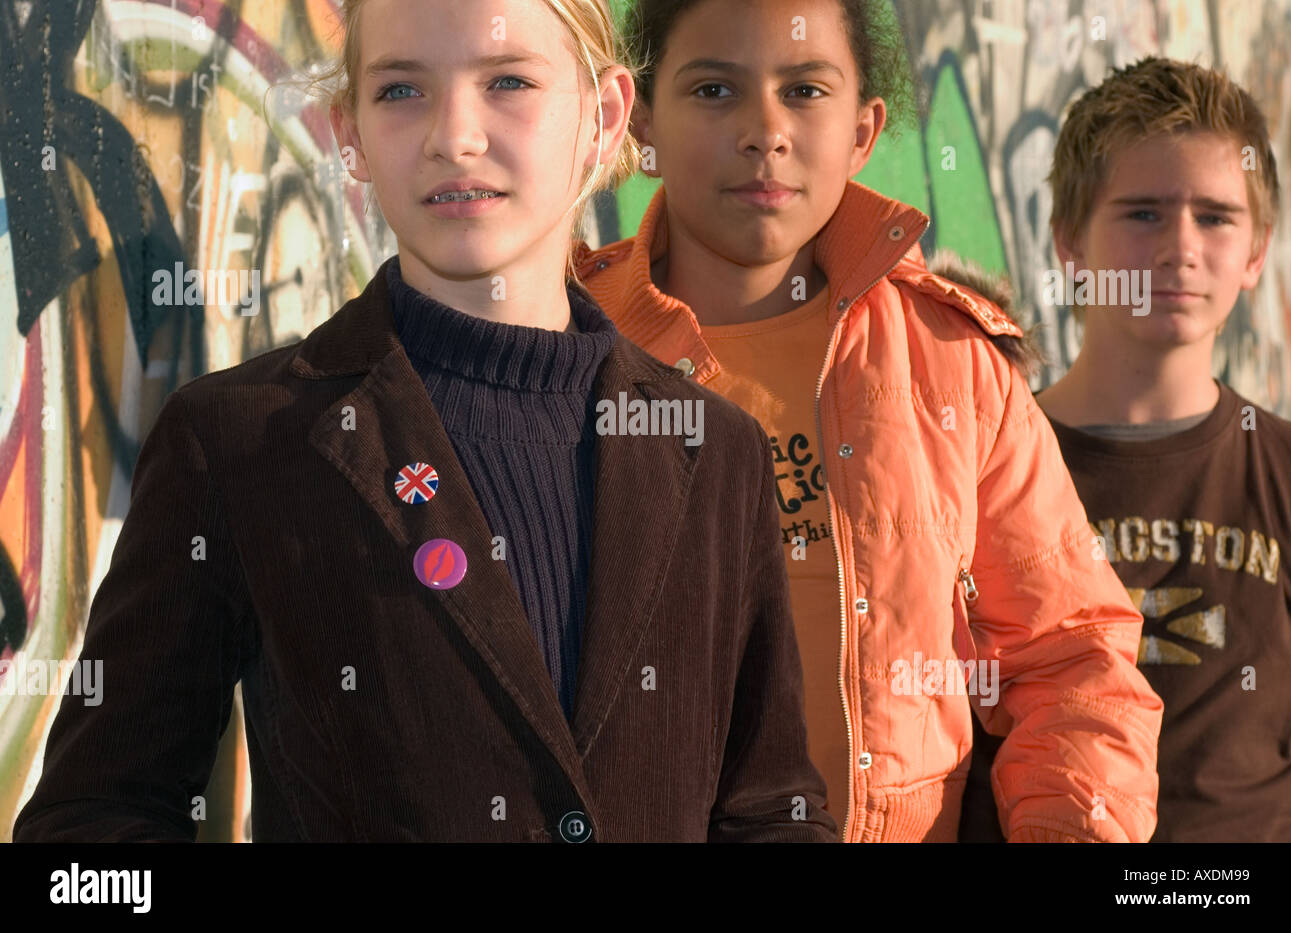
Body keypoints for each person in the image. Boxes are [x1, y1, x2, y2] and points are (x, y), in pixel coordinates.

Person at [13, 0, 836, 843]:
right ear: (352, 132)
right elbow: (88, 825)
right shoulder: (237, 441)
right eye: (402, 89)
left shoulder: (714, 451)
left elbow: (771, 810)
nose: (455, 135)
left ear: (605, 116)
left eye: (508, 80)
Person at [578, 0, 1163, 842]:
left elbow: (1073, 657)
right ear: (643, 122)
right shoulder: (564, 346)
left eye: (805, 90)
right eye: (713, 90)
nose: (764, 131)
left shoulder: (949, 359)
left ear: (862, 129)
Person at [1032, 56, 1291, 842]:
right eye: (1143, 213)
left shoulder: (1287, 475)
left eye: (1216, 217)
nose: (1180, 247)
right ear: (1070, 244)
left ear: (1256, 254)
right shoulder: (989, 465)